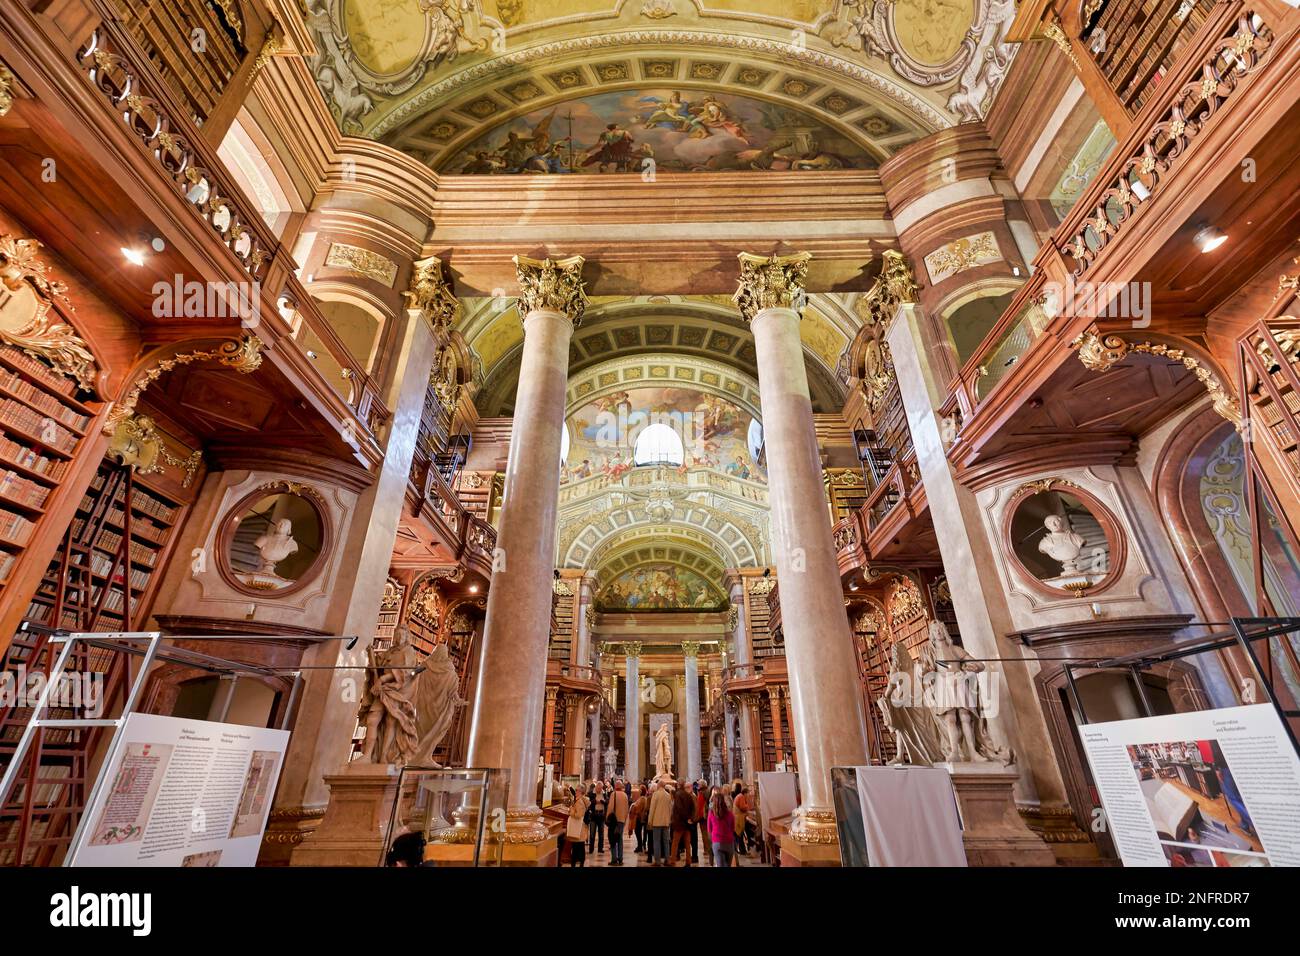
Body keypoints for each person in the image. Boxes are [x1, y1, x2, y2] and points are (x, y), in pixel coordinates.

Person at [670, 780, 695, 866]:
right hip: (687, 823)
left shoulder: (677, 794)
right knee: (687, 844)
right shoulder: (688, 795)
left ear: (678, 785)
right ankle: (688, 861)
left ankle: (672, 860)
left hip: (679, 823)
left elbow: (679, 808)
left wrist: (685, 818)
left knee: (675, 843)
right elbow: (693, 808)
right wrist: (689, 818)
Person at [647, 782, 673, 866]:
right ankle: (667, 860)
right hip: (666, 822)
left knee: (657, 841)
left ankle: (657, 861)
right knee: (666, 841)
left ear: (659, 786)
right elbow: (670, 809)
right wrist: (669, 820)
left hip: (656, 822)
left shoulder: (655, 794)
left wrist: (649, 821)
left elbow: (652, 808)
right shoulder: (668, 795)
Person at [707, 791, 735, 867]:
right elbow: (732, 828)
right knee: (727, 865)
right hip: (728, 842)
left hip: (716, 842)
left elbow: (709, 829)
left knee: (720, 865)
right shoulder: (730, 814)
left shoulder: (711, 814)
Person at [607, 779, 630, 865]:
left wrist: (607, 818)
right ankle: (620, 858)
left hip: (614, 821)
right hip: (622, 820)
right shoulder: (625, 795)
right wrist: (624, 819)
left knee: (613, 839)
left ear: (615, 786)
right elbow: (627, 808)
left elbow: (610, 807)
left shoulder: (614, 794)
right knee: (619, 839)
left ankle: (614, 859)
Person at [567, 787, 589, 867]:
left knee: (577, 847)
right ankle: (579, 862)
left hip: (578, 828)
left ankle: (576, 863)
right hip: (580, 828)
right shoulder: (580, 800)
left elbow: (579, 815)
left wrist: (571, 811)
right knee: (579, 846)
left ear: (581, 792)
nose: (575, 792)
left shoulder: (580, 802)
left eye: (576, 790)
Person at [587, 780, 607, 854]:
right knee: (592, 834)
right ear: (596, 787)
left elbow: (607, 801)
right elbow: (588, 803)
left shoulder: (604, 793)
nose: (599, 790)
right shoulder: (591, 793)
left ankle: (600, 848)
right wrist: (595, 801)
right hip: (593, 815)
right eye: (598, 788)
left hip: (601, 815)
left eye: (601, 788)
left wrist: (603, 801)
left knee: (601, 834)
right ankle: (591, 849)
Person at [733, 784, 751, 855]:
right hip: (738, 819)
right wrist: (748, 805)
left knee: (739, 835)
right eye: (748, 794)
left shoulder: (739, 796)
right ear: (745, 793)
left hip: (737, 818)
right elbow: (742, 807)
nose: (748, 795)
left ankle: (741, 849)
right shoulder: (741, 797)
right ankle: (742, 850)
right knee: (739, 835)